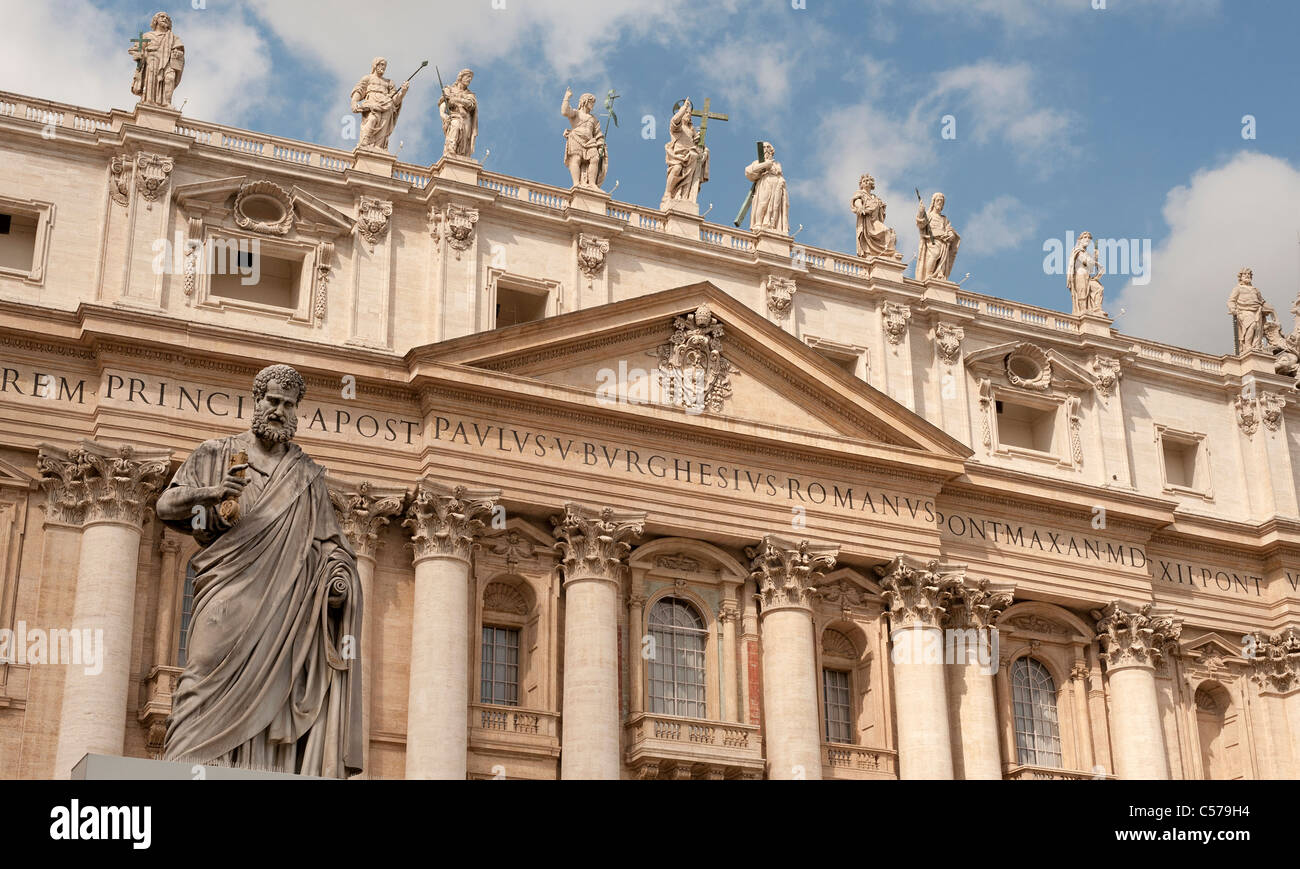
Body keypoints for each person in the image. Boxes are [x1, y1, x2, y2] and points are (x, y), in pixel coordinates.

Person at [157, 364, 363, 777]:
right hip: (227, 593)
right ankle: (184, 768)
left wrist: (338, 582)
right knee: (203, 672)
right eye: (272, 400)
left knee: (274, 693)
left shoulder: (306, 477)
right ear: (256, 401)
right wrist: (212, 494)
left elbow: (331, 545)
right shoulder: (216, 453)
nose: (279, 410)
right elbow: (167, 506)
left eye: (288, 404)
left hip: (285, 609)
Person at [351, 57, 408, 152]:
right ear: (375, 65)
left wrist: (403, 92)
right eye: (381, 64)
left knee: (384, 127)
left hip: (387, 106)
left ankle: (378, 147)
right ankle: (365, 143)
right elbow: (359, 91)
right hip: (372, 104)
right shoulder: (368, 78)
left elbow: (395, 100)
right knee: (372, 119)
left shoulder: (389, 82)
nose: (383, 67)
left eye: (384, 65)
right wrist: (354, 102)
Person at [744, 142, 789, 233]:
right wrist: (765, 165)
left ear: (772, 150)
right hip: (765, 183)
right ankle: (758, 224)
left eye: (768, 147)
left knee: (775, 207)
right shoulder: (759, 162)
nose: (765, 149)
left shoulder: (777, 164)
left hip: (777, 185)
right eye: (764, 147)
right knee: (763, 203)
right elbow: (748, 171)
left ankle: (773, 226)